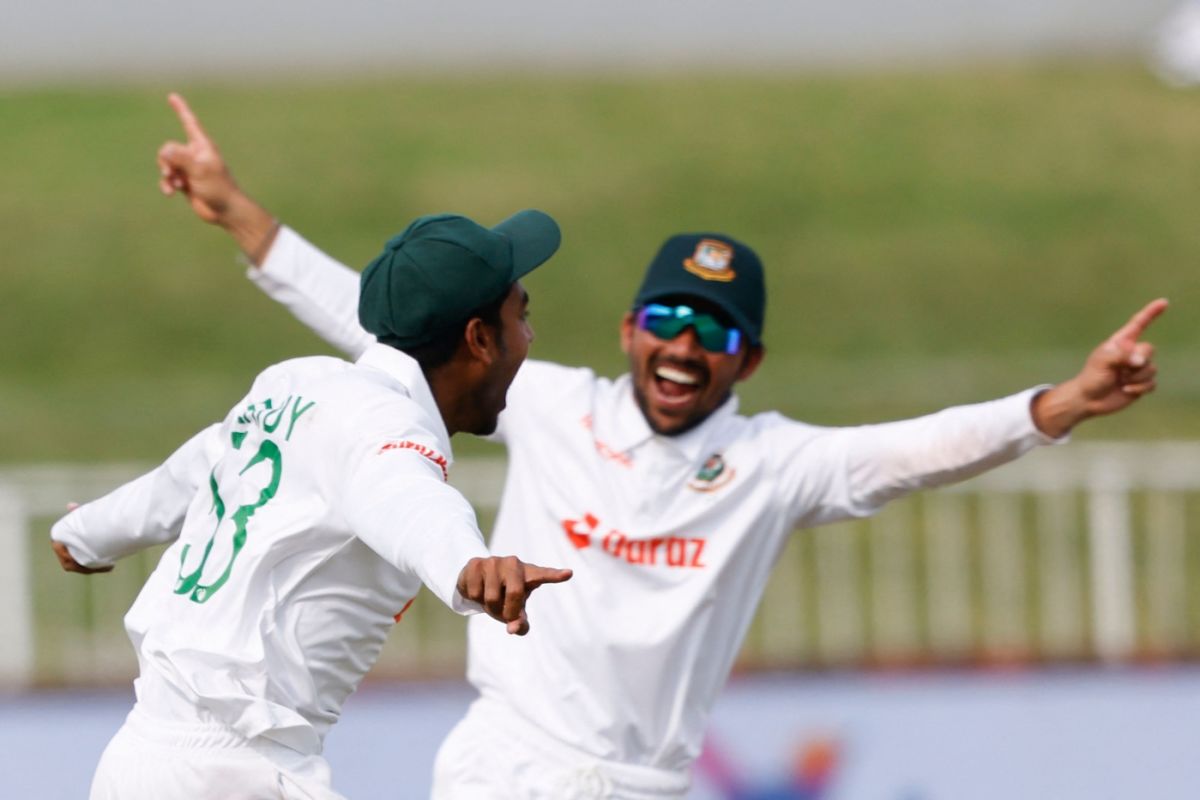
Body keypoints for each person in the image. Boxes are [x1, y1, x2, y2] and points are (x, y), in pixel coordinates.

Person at [155, 94, 1167, 799]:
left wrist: (1067, 400)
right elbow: (379, 318)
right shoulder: (549, 404)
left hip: (649, 781)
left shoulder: (772, 464)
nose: (685, 346)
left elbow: (917, 448)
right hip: (506, 764)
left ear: (750, 359)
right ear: (631, 328)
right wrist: (239, 211)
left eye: (715, 332)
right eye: (669, 319)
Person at [50, 192, 574, 799]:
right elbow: (405, 496)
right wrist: (468, 564)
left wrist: (86, 533)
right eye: (523, 315)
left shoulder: (297, 383)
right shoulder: (390, 431)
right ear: (481, 338)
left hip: (136, 761)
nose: (530, 336)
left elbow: (200, 466)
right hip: (236, 774)